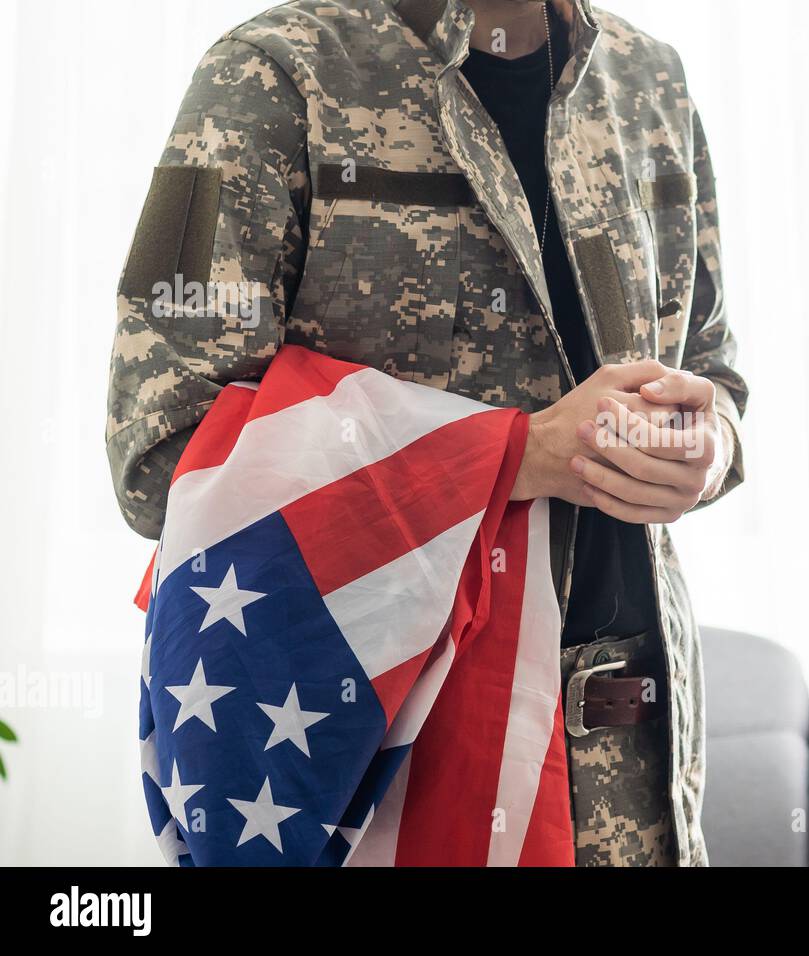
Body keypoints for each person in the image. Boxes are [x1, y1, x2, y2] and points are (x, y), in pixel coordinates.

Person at [105, 0, 747, 867]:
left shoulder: (649, 79)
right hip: (399, 758)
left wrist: (714, 450)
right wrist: (511, 458)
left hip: (637, 765)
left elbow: (712, 364)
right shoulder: (275, 73)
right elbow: (164, 450)